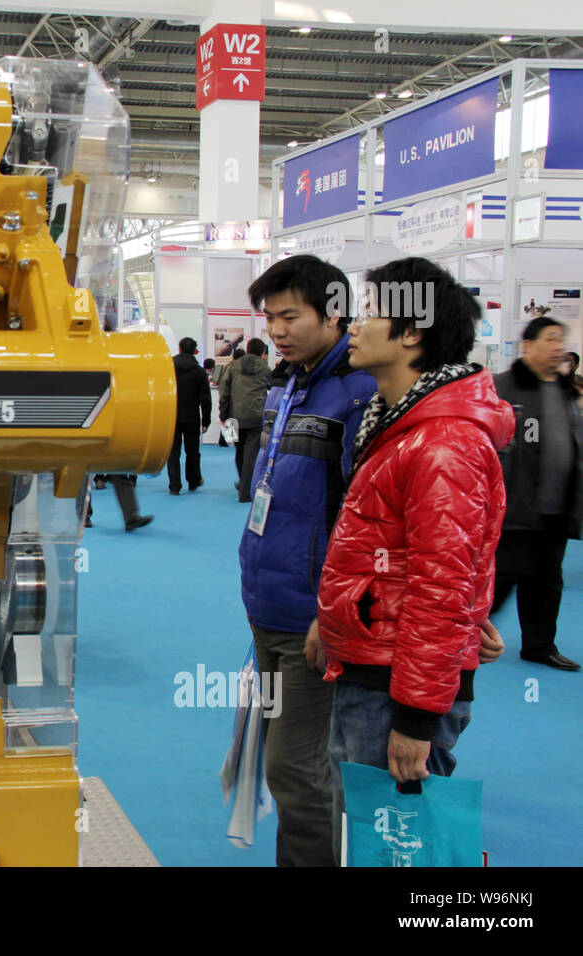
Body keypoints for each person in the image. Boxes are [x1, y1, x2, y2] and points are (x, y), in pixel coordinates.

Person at [317, 258, 513, 838]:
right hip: (372, 666)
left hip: (395, 688)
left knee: (398, 843)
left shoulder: (442, 442)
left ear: (412, 333)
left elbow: (442, 582)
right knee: (369, 835)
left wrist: (417, 716)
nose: (354, 324)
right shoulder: (397, 423)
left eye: (371, 312)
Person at [238, 254, 377, 866]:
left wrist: (333, 610)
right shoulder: (290, 380)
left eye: (290, 316)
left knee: (294, 768)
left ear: (333, 312)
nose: (277, 329)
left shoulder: (360, 391)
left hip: (313, 620)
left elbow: (363, 517)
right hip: (267, 604)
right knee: (279, 760)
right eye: (270, 317)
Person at [489, 316, 583, 671]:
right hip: (513, 508)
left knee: (546, 584)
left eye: (561, 339)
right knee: (499, 580)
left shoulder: (565, 389)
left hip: (555, 510)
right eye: (550, 339)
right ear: (528, 345)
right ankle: (462, 637)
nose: (558, 346)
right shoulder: (502, 387)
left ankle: (539, 646)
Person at [219, 338, 272, 502]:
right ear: (262, 351)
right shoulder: (265, 368)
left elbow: (224, 390)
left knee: (239, 451)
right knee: (252, 454)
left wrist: (223, 414)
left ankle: (243, 481)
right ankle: (245, 489)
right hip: (256, 417)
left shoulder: (233, 366)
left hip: (234, 417)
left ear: (247, 349)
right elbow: (273, 387)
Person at [168, 337, 211, 494]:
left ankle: (174, 485)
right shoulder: (199, 371)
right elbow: (206, 398)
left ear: (179, 349)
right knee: (192, 450)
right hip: (192, 416)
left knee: (173, 452)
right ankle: (193, 481)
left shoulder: (168, 367)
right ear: (194, 351)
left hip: (171, 416)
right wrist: (206, 419)